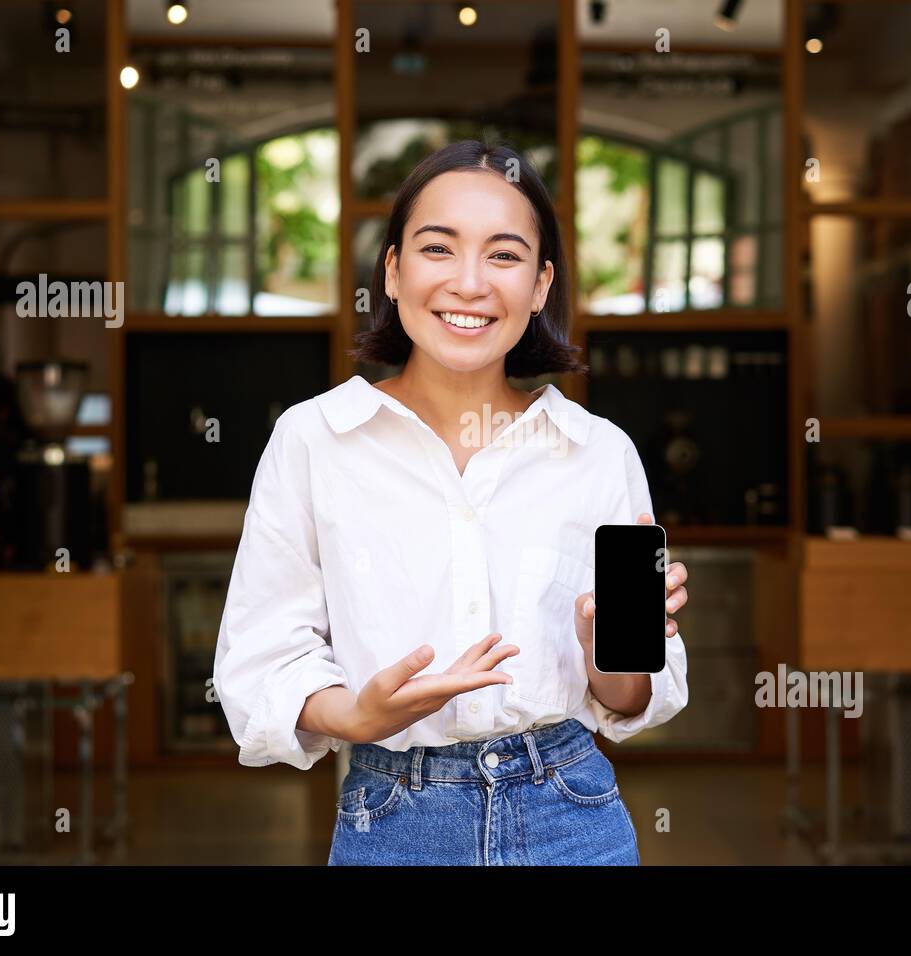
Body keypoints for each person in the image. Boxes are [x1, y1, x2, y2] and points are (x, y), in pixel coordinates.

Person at [214, 139, 690, 866]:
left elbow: (629, 700)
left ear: (540, 285)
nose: (470, 283)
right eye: (438, 248)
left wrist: (608, 656)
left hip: (572, 817)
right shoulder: (313, 440)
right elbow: (259, 662)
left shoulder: (596, 451)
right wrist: (359, 713)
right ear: (395, 271)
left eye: (504, 256)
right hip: (392, 816)